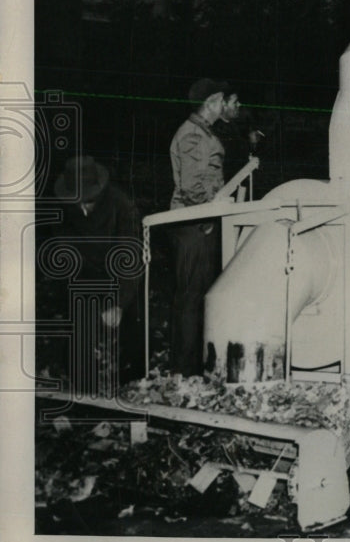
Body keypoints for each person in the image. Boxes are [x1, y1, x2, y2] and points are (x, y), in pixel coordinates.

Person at [51, 155, 144, 387]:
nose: (82, 206)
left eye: (87, 201)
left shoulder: (123, 206)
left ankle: (132, 381)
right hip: (85, 275)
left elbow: (130, 259)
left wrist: (118, 304)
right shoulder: (64, 208)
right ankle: (84, 385)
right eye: (77, 200)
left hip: (120, 275)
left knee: (132, 333)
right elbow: (67, 259)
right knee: (80, 326)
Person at [167, 77, 230, 376]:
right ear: (211, 102)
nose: (224, 105)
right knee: (190, 299)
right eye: (221, 100)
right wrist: (211, 211)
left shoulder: (203, 133)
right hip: (193, 225)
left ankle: (196, 368)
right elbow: (193, 187)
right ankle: (183, 371)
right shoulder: (191, 135)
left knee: (201, 296)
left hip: (203, 222)